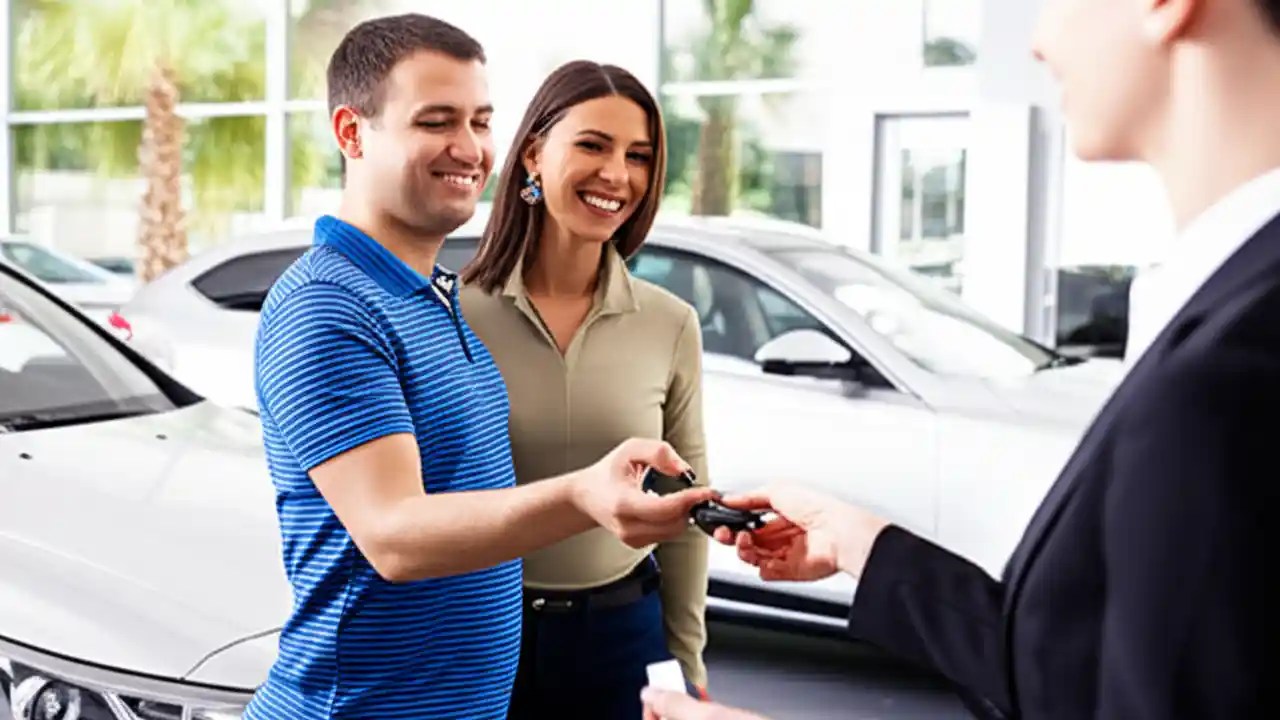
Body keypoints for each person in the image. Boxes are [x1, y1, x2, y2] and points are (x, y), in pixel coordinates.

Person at [643, 0, 1280, 718]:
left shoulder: (1231, 373)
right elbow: (1078, 671)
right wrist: (861, 542)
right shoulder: (1228, 313)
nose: (1039, 42)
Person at [243, 15, 714, 720]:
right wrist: (582, 496)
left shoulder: (429, 301)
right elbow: (394, 535)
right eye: (436, 122)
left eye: (480, 120)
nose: (469, 149)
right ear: (351, 133)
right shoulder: (327, 305)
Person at [458, 60, 711, 718]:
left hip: (622, 638)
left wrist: (686, 662)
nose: (617, 175)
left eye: (639, 156)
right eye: (593, 145)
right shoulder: (451, 312)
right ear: (534, 155)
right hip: (478, 631)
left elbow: (687, 513)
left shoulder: (670, 323)